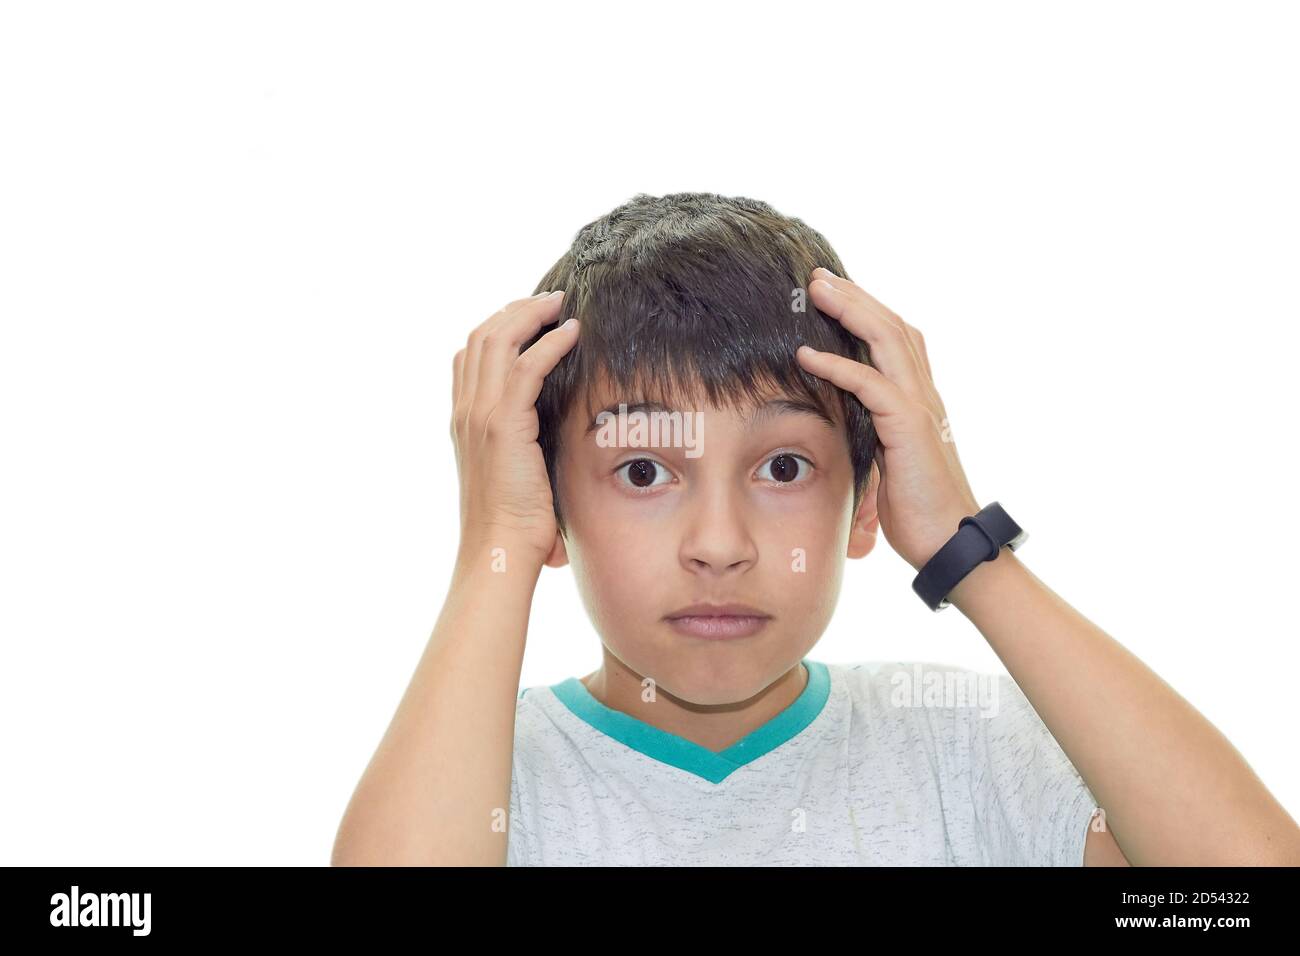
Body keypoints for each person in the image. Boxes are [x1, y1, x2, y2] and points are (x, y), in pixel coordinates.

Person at [331, 192, 1300, 866]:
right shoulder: (487, 781)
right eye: (641, 470)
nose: (719, 541)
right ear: (551, 506)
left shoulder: (959, 749)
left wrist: (971, 554)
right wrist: (492, 540)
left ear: (866, 500)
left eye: (783, 466)